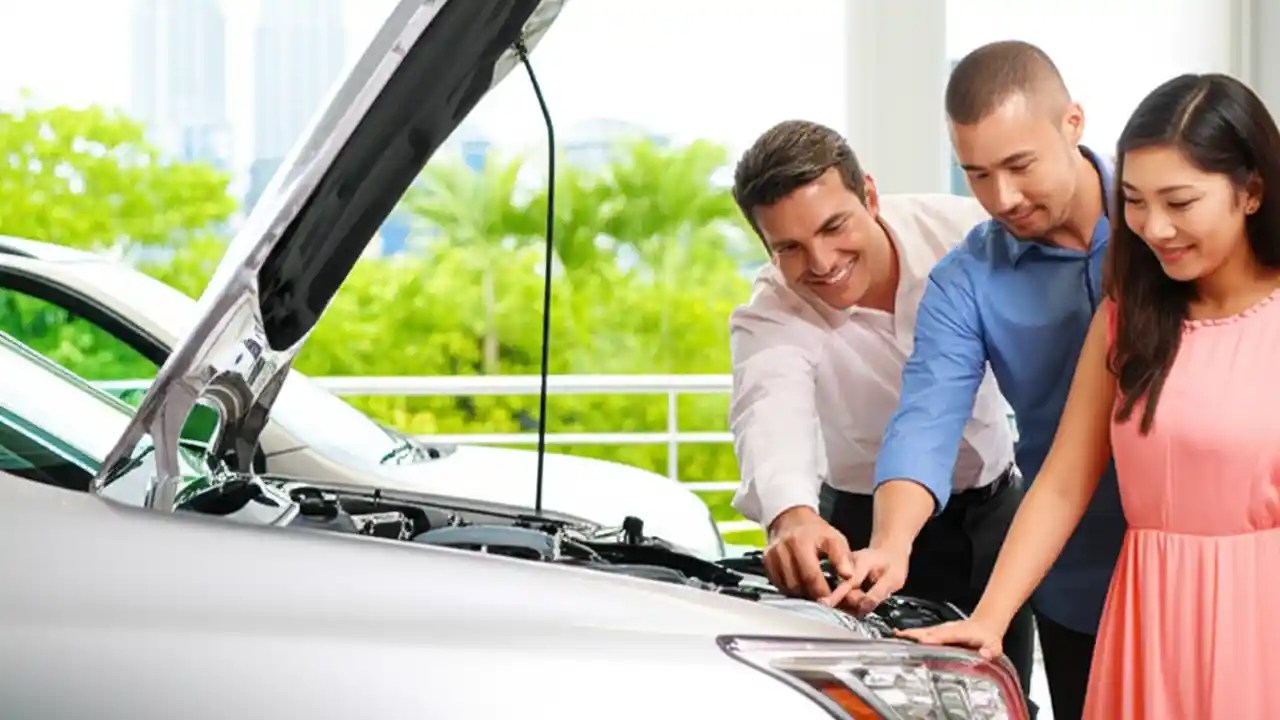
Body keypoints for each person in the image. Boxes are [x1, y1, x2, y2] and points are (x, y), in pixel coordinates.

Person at [901, 71, 1280, 718]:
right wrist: (990, 618)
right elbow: (1062, 483)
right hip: (1147, 615)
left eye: (1179, 202)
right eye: (1133, 200)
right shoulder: (1126, 317)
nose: (1154, 228)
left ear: (1251, 193)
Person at [840, 41, 1128, 720]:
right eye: (977, 174)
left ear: (1073, 123)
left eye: (1019, 166)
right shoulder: (965, 280)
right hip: (1073, 581)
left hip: (1212, 565)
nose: (1002, 197)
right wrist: (892, 542)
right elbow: (926, 418)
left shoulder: (1166, 221)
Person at [725, 118, 1036, 697]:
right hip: (862, 538)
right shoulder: (772, 313)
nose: (821, 261)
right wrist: (791, 515)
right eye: (789, 247)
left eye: (833, 226)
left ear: (868, 194)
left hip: (999, 513)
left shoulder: (963, 233)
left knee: (1007, 694)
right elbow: (768, 405)